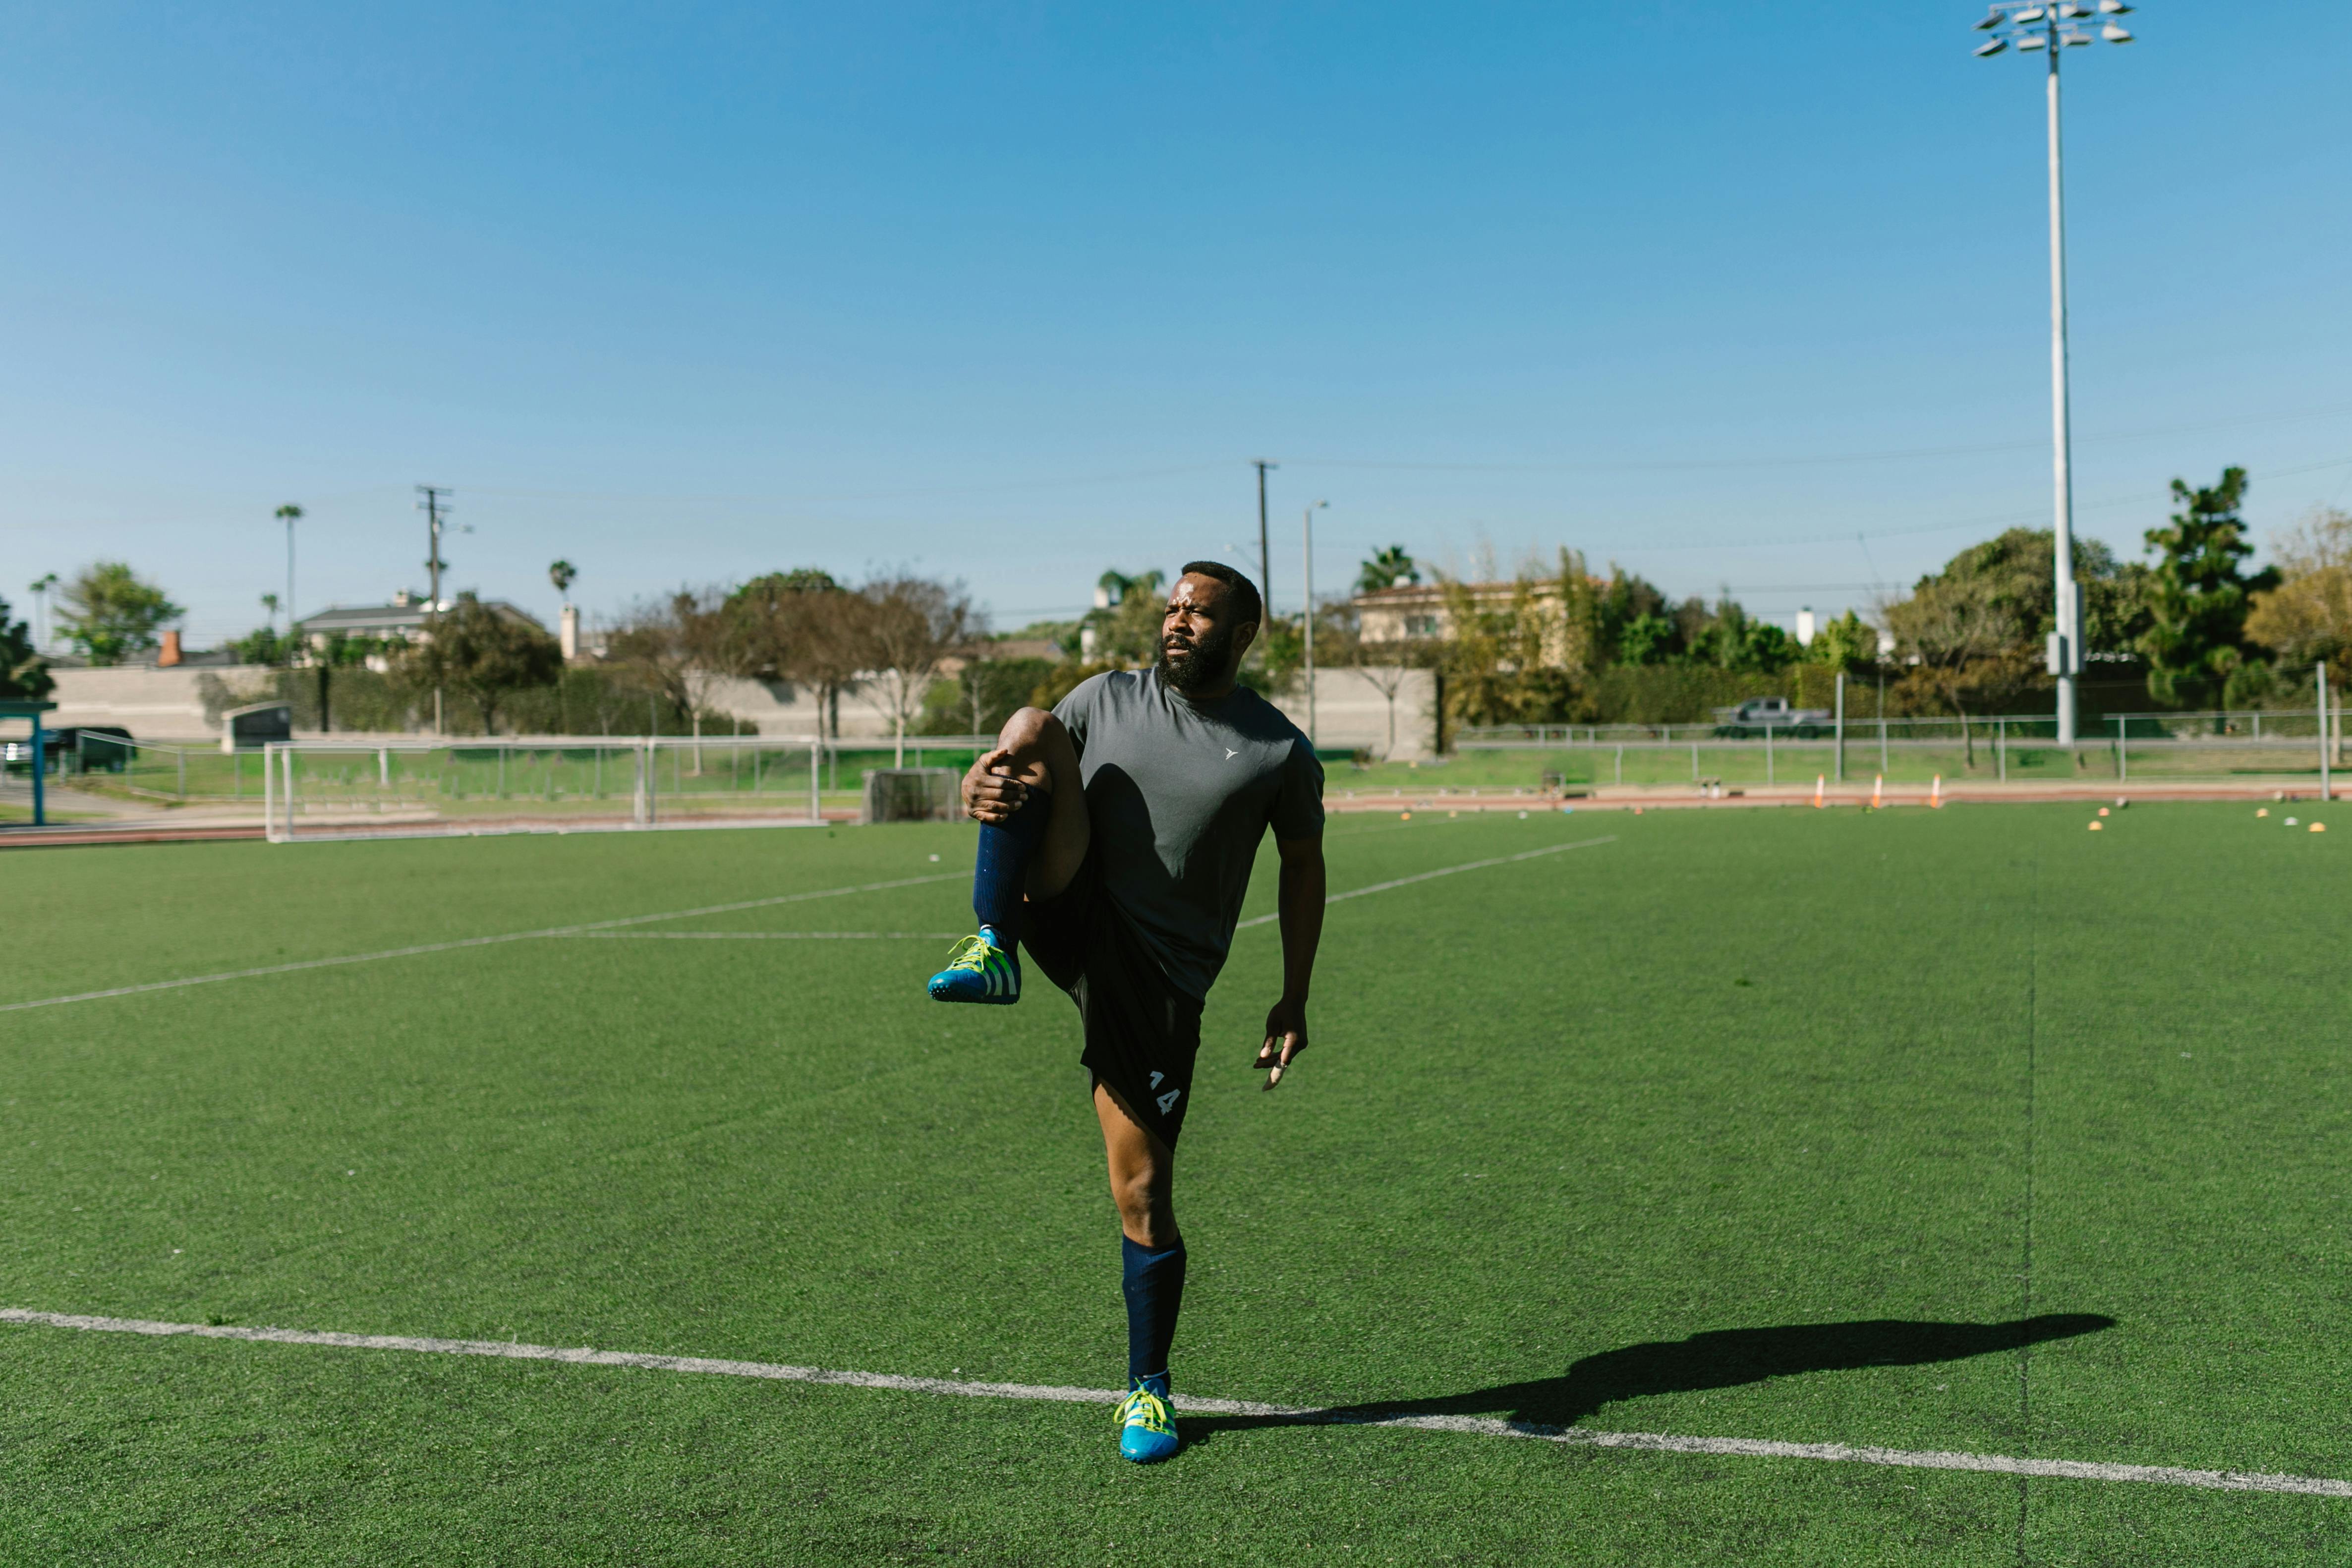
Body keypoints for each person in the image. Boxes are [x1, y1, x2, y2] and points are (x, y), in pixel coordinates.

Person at [925, 561, 1326, 1464]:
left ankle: (1148, 1389)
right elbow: (1013, 774)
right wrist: (972, 789)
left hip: (1159, 976)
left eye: (1201, 613)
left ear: (1243, 632)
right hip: (1072, 903)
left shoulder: (1277, 750)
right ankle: (991, 945)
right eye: (1173, 608)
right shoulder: (1103, 697)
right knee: (1027, 724)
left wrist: (1293, 993)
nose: (1179, 622)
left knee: (1141, 1192)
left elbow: (1303, 868)